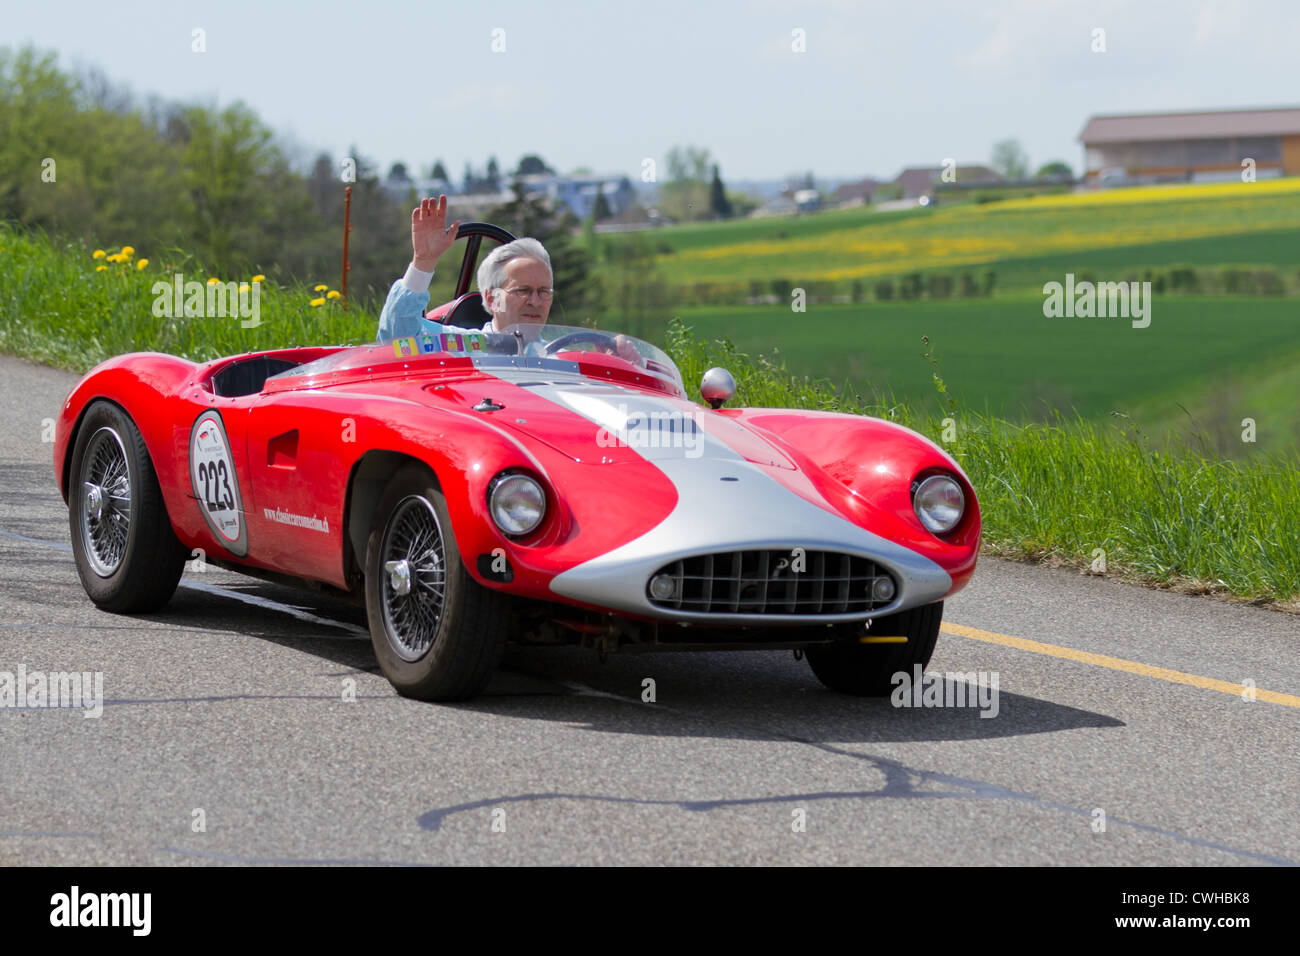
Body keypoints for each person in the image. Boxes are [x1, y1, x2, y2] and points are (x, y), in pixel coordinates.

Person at [376, 195, 643, 366]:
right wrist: (423, 263)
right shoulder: (463, 347)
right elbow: (397, 338)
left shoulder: (561, 359)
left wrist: (625, 364)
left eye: (544, 291)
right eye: (523, 290)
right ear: (492, 298)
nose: (536, 301)